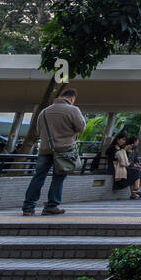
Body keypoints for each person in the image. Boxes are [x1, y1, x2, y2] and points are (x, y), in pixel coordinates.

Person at [22, 88, 85, 216]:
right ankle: (51, 206)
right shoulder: (73, 110)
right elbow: (81, 127)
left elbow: (39, 131)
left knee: (38, 177)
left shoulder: (44, 112)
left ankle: (28, 207)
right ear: (72, 99)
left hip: (45, 149)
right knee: (58, 179)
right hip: (64, 150)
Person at [111, 135, 141, 199]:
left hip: (130, 167)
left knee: (139, 170)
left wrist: (136, 164)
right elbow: (124, 161)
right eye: (137, 142)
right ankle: (138, 188)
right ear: (133, 142)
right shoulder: (124, 149)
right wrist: (127, 151)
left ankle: (136, 193)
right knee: (137, 172)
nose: (137, 143)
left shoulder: (135, 150)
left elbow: (136, 159)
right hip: (124, 167)